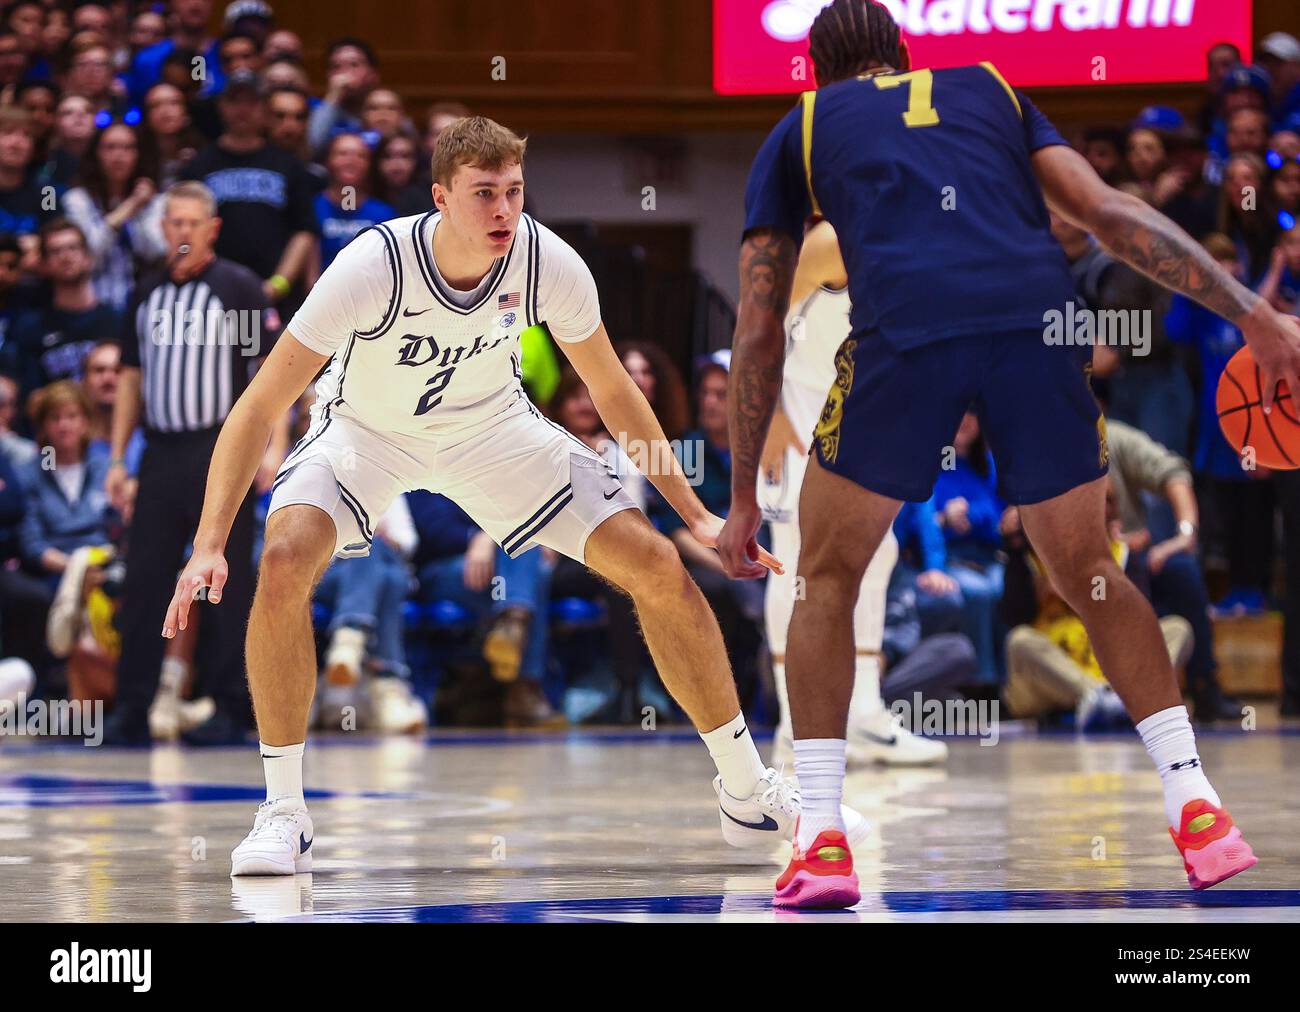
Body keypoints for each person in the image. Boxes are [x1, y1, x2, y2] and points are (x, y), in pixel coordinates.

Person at [162, 115, 866, 876]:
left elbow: (613, 388)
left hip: (492, 430)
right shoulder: (372, 265)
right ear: (440, 197)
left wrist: (694, 510)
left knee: (656, 561)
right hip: (364, 431)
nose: (504, 211)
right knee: (285, 555)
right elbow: (258, 407)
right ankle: (284, 813)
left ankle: (747, 789)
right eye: (485, 194)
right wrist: (208, 541)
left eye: (515, 192)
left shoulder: (546, 260)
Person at [719, 0, 1299, 907]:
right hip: (1039, 322)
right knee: (1090, 570)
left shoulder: (802, 126)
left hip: (905, 334)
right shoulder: (991, 86)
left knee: (824, 576)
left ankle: (824, 835)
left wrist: (746, 496)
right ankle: (1197, 804)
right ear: (906, 55)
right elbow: (1111, 215)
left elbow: (757, 329)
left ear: (818, 76)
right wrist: (1256, 317)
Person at [104, 180, 284, 747]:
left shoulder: (239, 287)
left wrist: (272, 449)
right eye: (172, 223)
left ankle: (233, 705)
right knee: (144, 579)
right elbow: (130, 379)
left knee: (227, 580)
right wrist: (116, 458)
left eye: (191, 224)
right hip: (160, 452)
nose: (181, 233)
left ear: (212, 229)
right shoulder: (145, 291)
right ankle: (132, 705)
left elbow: (266, 377)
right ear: (162, 229)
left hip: (221, 449)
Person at [759, 218, 945, 766]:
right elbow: (759, 324)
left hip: (864, 421)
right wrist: (764, 414)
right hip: (795, 417)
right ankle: (794, 727)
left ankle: (863, 714)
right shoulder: (829, 241)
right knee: (792, 563)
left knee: (879, 556)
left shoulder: (918, 239)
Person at [3, 219, 122, 400]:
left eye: (73, 248)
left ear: (88, 257)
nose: (65, 257)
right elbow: (29, 398)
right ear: (43, 264)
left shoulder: (117, 321)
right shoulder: (30, 328)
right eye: (55, 251)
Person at [61, 121, 166, 310]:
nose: (119, 156)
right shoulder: (77, 201)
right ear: (96, 154)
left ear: (138, 154)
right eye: (110, 147)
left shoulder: (154, 201)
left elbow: (156, 252)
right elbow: (87, 256)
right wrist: (130, 206)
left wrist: (141, 208)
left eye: (128, 148)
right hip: (93, 307)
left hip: (147, 305)